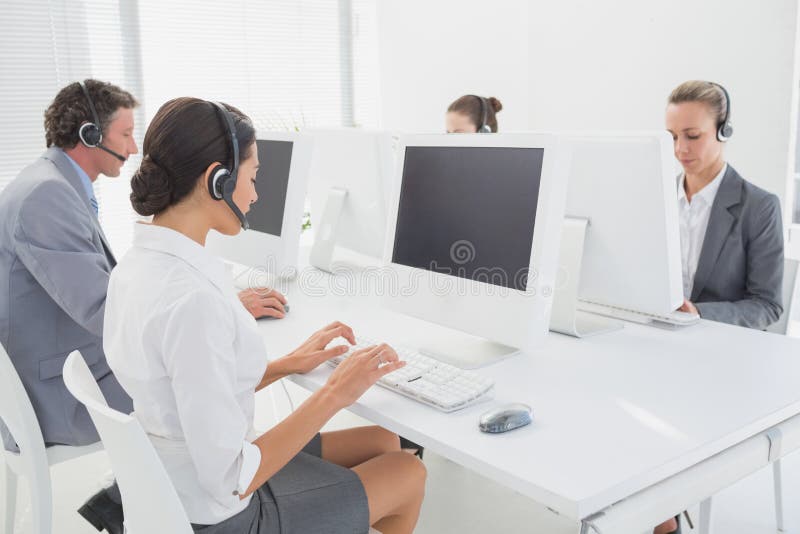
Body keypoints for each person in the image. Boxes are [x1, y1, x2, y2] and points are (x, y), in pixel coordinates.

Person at [104, 97, 426, 533]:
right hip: (222, 512)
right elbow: (230, 481)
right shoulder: (192, 302)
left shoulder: (137, 265)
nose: (255, 194)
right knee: (409, 473)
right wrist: (334, 393)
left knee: (382, 440)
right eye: (252, 178)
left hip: (175, 480)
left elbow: (188, 389)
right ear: (216, 179)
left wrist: (288, 364)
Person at [0, 80, 288, 534]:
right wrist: (218, 308)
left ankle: (141, 496)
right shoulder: (46, 195)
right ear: (91, 136)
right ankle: (159, 496)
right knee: (190, 387)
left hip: (54, 370)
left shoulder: (51, 183)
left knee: (200, 376)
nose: (135, 148)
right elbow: (105, 309)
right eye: (125, 134)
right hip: (56, 397)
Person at [654, 81, 785, 534]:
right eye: (672, 137)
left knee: (649, 416)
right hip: (663, 350)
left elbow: (767, 306)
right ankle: (656, 513)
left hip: (721, 361)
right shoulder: (657, 198)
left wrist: (700, 315)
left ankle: (661, 520)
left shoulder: (758, 206)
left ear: (723, 130)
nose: (680, 149)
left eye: (692, 135)